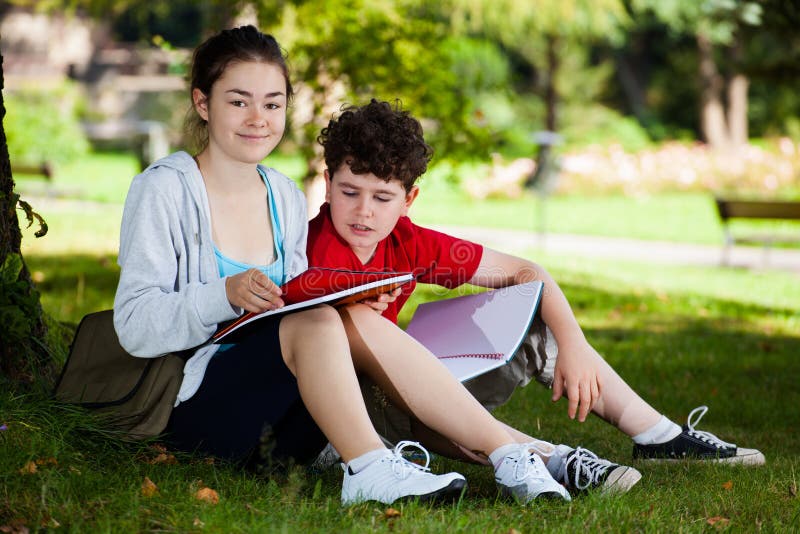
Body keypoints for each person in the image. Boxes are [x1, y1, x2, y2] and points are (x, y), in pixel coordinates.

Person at [113, 25, 599, 508]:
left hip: (289, 423)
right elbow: (134, 326)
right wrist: (223, 292)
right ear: (203, 103)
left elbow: (294, 300)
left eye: (273, 103)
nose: (258, 118)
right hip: (198, 411)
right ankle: (371, 467)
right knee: (320, 319)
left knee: (342, 315)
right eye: (238, 101)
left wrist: (350, 297)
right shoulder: (165, 190)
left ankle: (509, 455)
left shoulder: (281, 194)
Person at [306, 99, 766, 473]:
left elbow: (529, 274)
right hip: (354, 405)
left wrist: (575, 343)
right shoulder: (307, 247)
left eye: (382, 197)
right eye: (350, 192)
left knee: (537, 324)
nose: (364, 211)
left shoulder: (410, 242)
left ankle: (659, 436)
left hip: (414, 382)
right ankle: (552, 460)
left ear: (409, 200)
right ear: (328, 185)